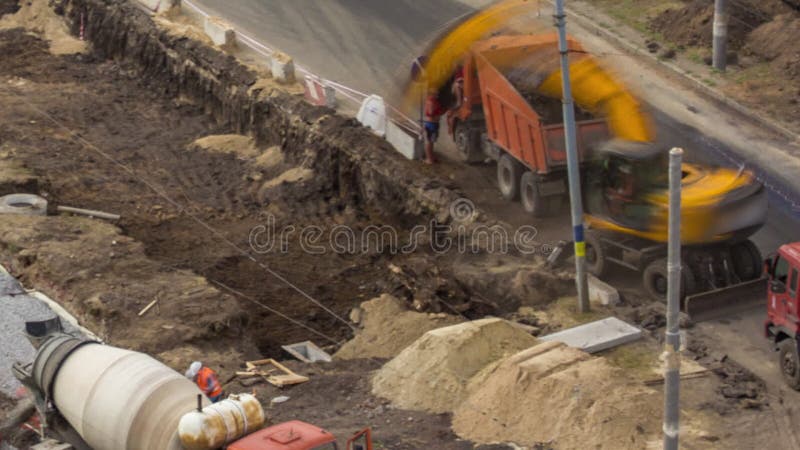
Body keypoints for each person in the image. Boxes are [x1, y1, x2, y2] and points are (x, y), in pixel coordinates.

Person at [423, 90, 444, 164]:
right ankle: (429, 159)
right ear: (430, 94)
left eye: (437, 94)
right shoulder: (430, 101)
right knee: (429, 142)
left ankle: (431, 157)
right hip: (431, 124)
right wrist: (437, 110)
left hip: (434, 124)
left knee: (431, 141)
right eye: (435, 94)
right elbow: (431, 113)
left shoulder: (434, 101)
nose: (437, 95)